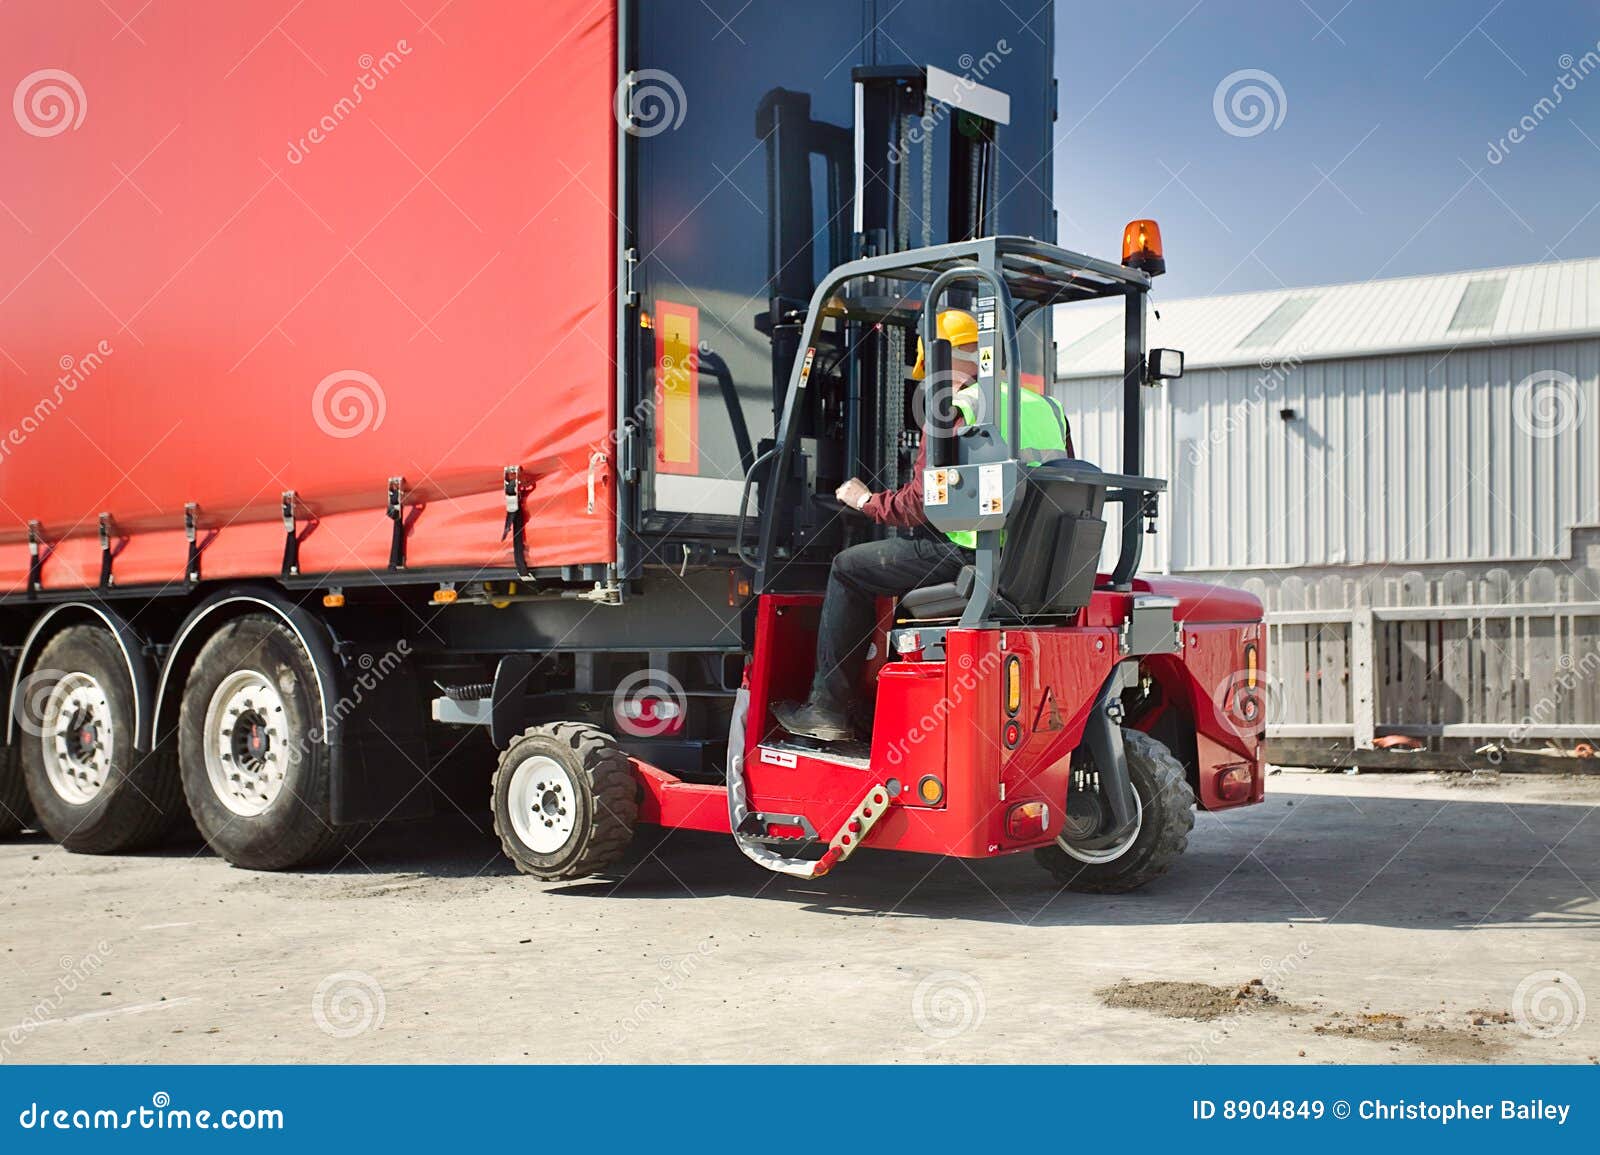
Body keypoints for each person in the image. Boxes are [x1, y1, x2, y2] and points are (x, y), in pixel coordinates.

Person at [772, 308, 1070, 742]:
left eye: (931, 369)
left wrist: (867, 501)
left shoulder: (958, 407)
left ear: (946, 360)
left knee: (849, 568)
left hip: (976, 555)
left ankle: (828, 708)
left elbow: (924, 503)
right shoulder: (1047, 406)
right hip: (1037, 563)